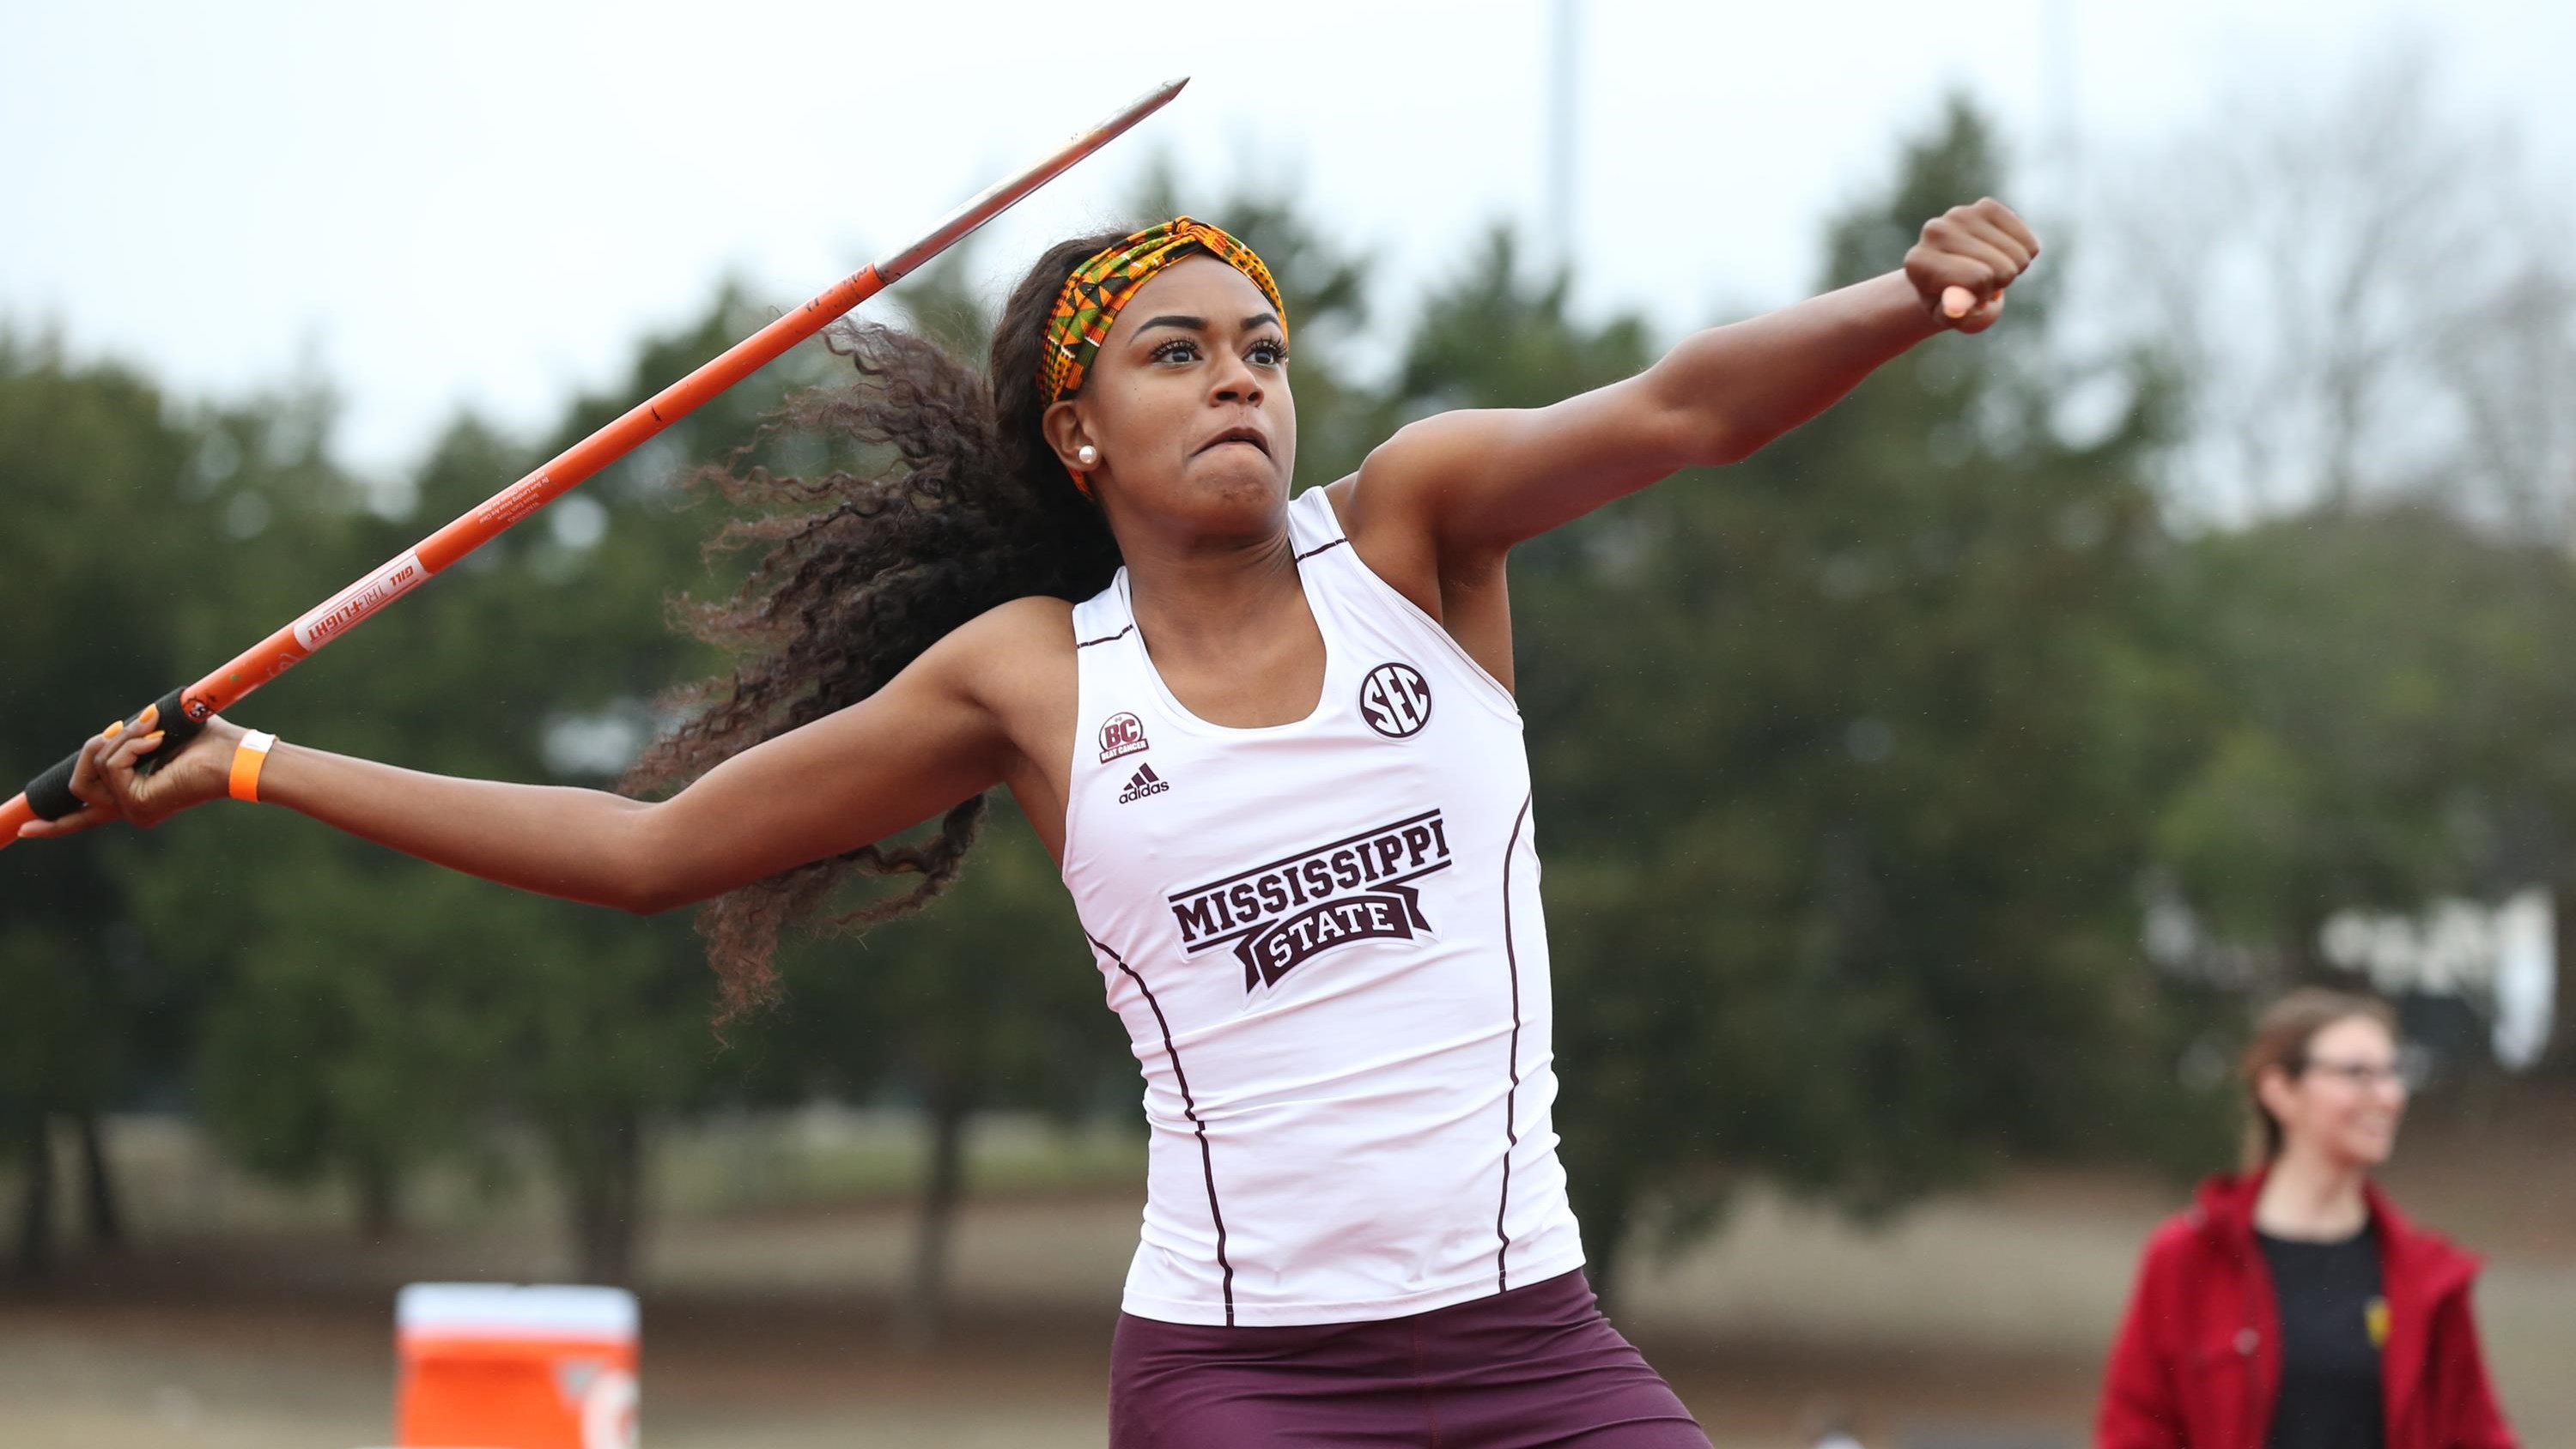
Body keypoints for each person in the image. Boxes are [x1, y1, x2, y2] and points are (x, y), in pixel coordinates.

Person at [31, 202, 2038, 1446]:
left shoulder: (1416, 525)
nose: (1237, 379)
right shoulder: (1031, 680)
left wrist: (1896, 299)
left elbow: (1683, 409)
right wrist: (256, 770)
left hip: (1535, 1344)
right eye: (1177, 354)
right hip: (1247, 1385)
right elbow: (649, 851)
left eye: (1258, 347)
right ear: (1081, 432)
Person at [2096, 989, 2518, 1449]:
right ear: (2279, 1091)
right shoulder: (2189, 1257)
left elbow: (2475, 1435)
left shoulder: (2428, 1277)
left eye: (2392, 1073)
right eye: (2357, 1073)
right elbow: (2135, 1430)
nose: (2388, 1095)